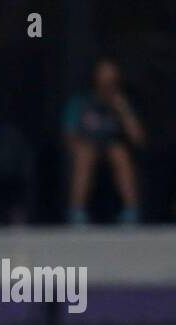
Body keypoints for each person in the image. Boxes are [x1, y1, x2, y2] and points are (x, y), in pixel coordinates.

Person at [62, 58, 145, 225]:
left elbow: (139, 139)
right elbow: (68, 134)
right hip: (86, 149)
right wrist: (77, 148)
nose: (108, 83)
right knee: (85, 154)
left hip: (113, 149)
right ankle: (77, 211)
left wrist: (123, 110)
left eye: (112, 79)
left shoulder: (123, 104)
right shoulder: (80, 102)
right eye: (104, 78)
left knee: (119, 153)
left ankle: (131, 211)